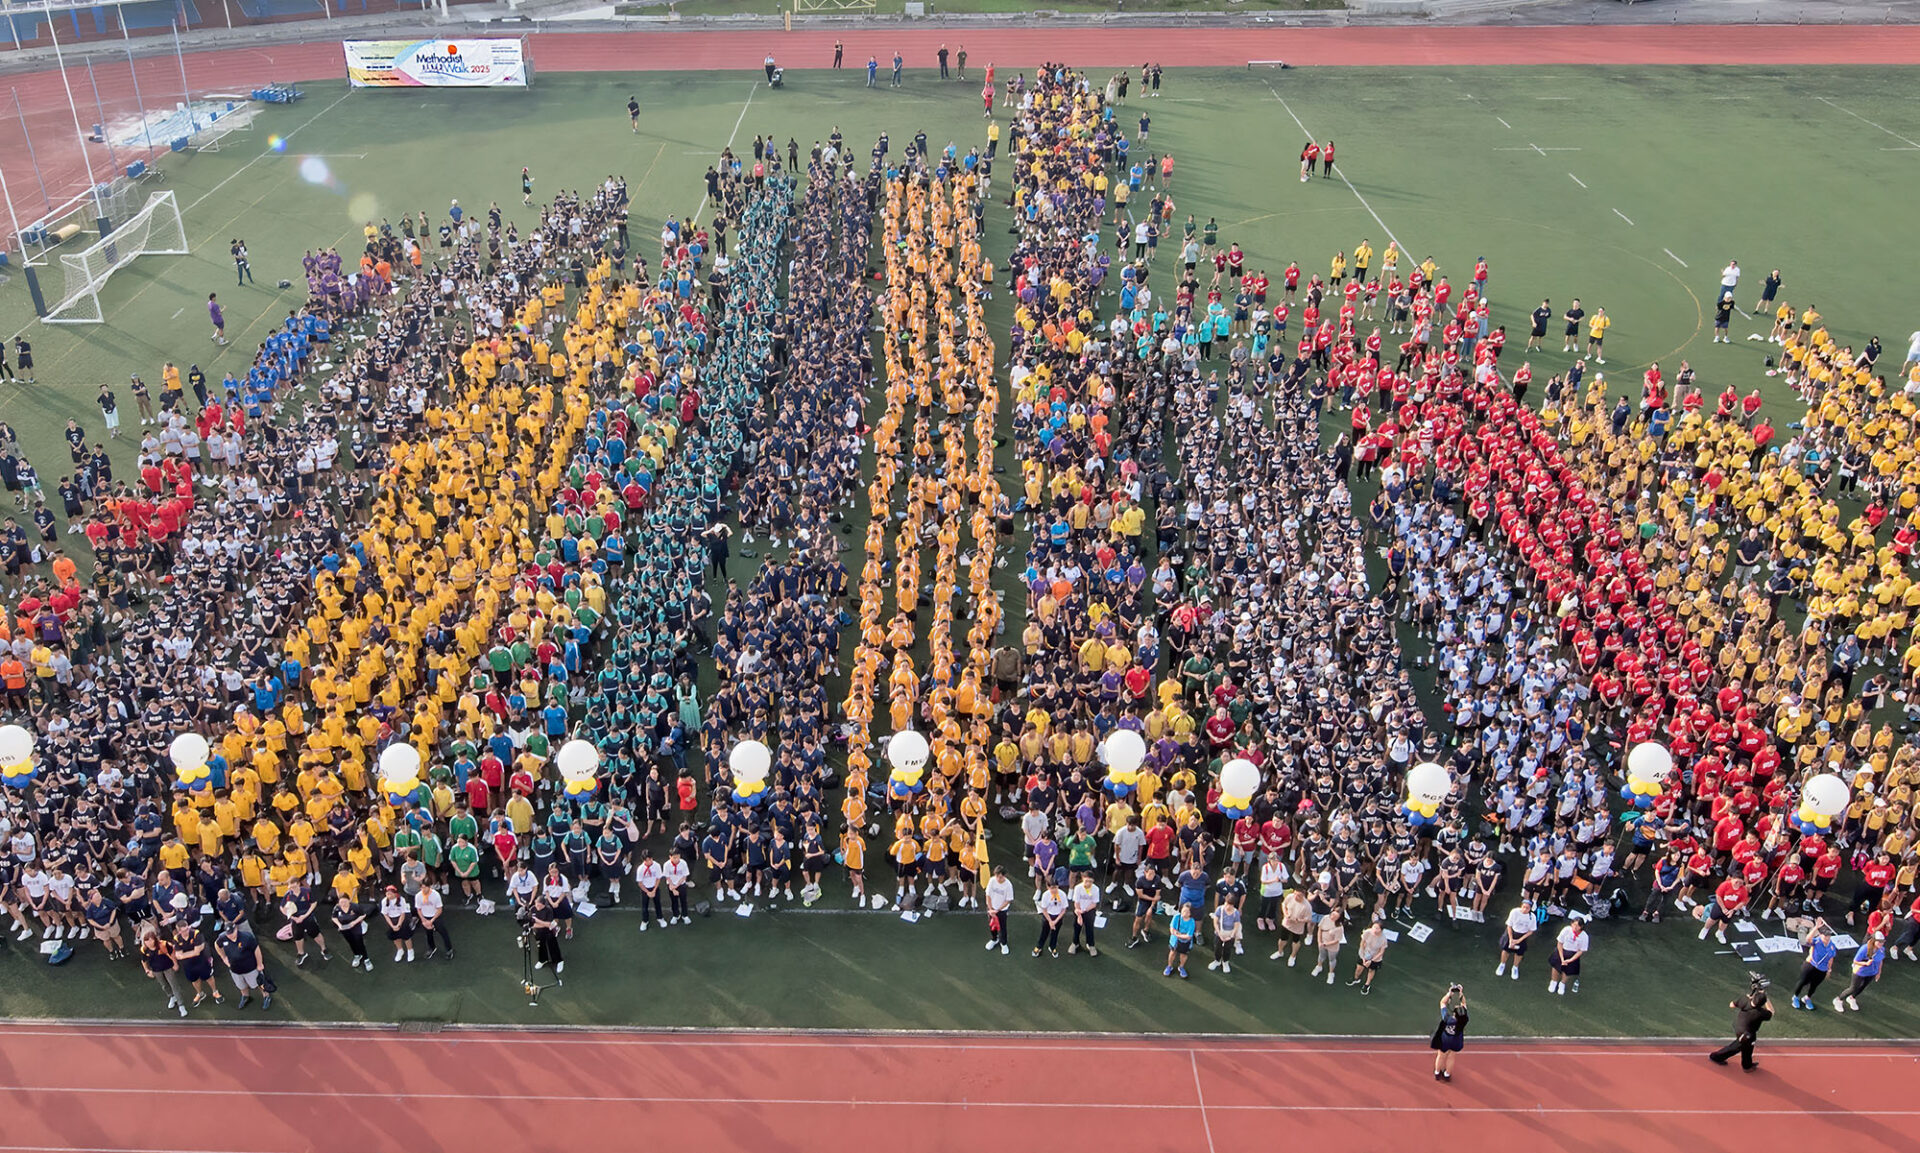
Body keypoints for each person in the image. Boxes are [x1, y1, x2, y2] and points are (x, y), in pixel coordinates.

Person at [1709, 985, 1771, 1071]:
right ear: (1762, 1004)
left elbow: (1732, 1004)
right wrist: (1767, 998)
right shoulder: (1761, 1013)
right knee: (1742, 1048)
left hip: (1738, 1026)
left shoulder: (1744, 1000)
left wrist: (1751, 995)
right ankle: (1717, 1057)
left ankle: (1746, 1065)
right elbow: (1772, 1011)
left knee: (1744, 1047)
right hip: (1747, 1033)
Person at [216, 921, 269, 1010]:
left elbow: (257, 950)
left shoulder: (247, 937)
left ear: (236, 929)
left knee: (259, 983)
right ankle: (245, 996)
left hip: (250, 968)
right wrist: (223, 957)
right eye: (228, 934)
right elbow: (217, 945)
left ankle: (266, 996)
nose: (230, 935)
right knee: (241, 985)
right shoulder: (222, 938)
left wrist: (259, 964)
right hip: (235, 969)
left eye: (232, 933)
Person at [1834, 933, 1885, 1013]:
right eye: (1879, 941)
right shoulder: (1864, 949)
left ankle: (1852, 998)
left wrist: (1879, 972)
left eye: (1882, 941)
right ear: (1873, 940)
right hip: (1860, 971)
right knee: (1853, 988)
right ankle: (1838, 1000)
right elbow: (1855, 961)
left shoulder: (1882, 949)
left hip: (1872, 972)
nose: (1881, 943)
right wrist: (1865, 963)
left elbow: (1880, 960)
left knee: (1863, 986)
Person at [1430, 985, 1468, 1081]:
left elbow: (1442, 1002)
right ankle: (1447, 1075)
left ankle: (1437, 1073)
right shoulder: (1465, 1019)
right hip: (1456, 1040)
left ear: (1454, 1013)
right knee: (1451, 1057)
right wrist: (1461, 994)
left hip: (1445, 1039)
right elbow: (1464, 1003)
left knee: (1441, 1056)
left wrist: (1449, 993)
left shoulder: (1447, 1018)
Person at [1496, 897, 1537, 981]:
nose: (1525, 909)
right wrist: (1511, 939)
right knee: (1506, 950)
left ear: (1530, 909)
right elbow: (1509, 926)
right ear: (1521, 906)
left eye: (1527, 908)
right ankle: (1502, 964)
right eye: (1524, 907)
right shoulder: (1514, 912)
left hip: (1522, 936)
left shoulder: (1532, 917)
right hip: (1511, 933)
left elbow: (1531, 931)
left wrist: (1519, 940)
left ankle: (1515, 967)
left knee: (1519, 953)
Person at [1548, 914, 1589, 995]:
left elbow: (1581, 950)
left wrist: (1571, 960)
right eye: (1574, 924)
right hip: (1562, 951)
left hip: (1573, 954)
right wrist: (1562, 957)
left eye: (1577, 926)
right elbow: (1560, 943)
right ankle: (1553, 982)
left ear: (1581, 926)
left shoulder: (1584, 936)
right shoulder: (1566, 930)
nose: (1575, 927)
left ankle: (1562, 983)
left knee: (1568, 970)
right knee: (1556, 967)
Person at [1348, 913, 1389, 994]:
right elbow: (1362, 944)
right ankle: (1356, 978)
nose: (1374, 929)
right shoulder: (1367, 932)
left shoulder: (1383, 939)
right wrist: (1363, 957)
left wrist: (1371, 961)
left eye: (1377, 928)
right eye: (1374, 927)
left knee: (1371, 970)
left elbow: (1381, 952)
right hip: (1364, 953)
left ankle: (1367, 985)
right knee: (1359, 968)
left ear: (1381, 930)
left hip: (1375, 957)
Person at [1207, 894, 1242, 974]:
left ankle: (1225, 962)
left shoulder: (1236, 913)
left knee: (1227, 949)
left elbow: (1236, 925)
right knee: (1217, 948)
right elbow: (1215, 922)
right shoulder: (1220, 909)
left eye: (1230, 905)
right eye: (1227, 903)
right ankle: (1217, 960)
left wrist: (1231, 936)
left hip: (1230, 933)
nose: (1228, 906)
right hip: (1220, 932)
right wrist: (1219, 933)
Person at [1033, 877, 1068, 958]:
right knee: (1044, 933)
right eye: (1052, 888)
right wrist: (1050, 921)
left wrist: (1055, 921)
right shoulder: (1045, 895)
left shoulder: (1062, 894)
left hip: (1058, 917)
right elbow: (1044, 910)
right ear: (1048, 887)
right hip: (1048, 916)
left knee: (1055, 933)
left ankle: (1052, 947)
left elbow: (1063, 909)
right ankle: (1039, 946)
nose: (1054, 890)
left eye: (1056, 887)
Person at [985, 864, 1014, 955]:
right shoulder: (992, 880)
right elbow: (988, 895)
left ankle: (1003, 943)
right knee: (992, 925)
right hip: (991, 908)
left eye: (1000, 877)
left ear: (1004, 876)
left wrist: (997, 910)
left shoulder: (1008, 885)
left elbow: (1008, 900)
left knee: (1002, 927)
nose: (998, 878)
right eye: (997, 876)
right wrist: (990, 909)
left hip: (1001, 910)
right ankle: (994, 939)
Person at [1164, 901, 1197, 979]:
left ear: (1190, 913)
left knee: (1183, 955)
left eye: (1186, 911)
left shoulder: (1192, 922)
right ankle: (1169, 966)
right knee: (1172, 952)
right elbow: (1172, 929)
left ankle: (1181, 967)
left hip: (1186, 943)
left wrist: (1178, 934)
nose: (1184, 912)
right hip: (1175, 941)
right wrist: (1178, 934)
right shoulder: (1176, 917)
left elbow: (1189, 936)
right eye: (1183, 910)